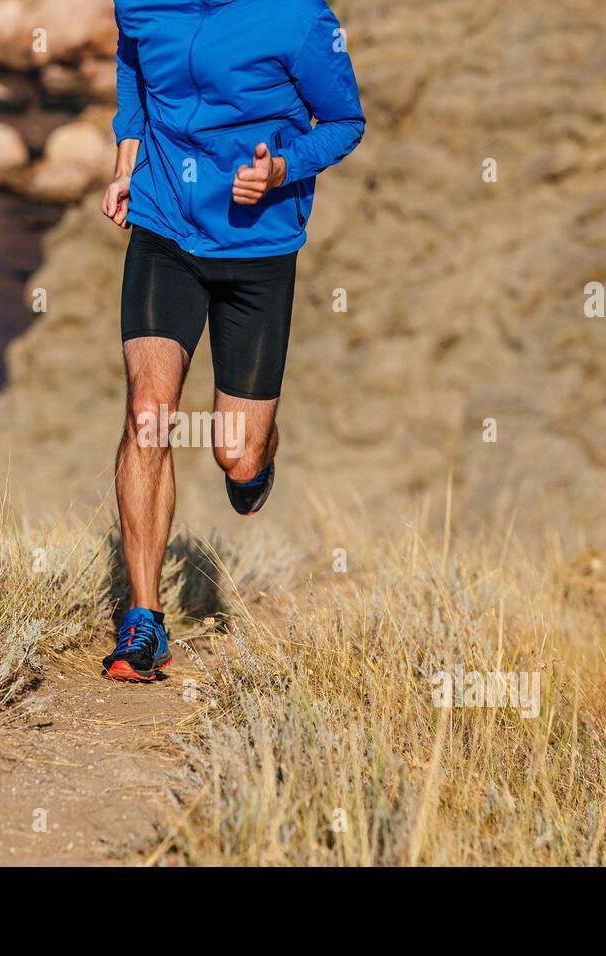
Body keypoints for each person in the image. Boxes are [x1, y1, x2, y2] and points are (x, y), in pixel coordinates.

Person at [98, 0, 366, 681]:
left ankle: (261, 453)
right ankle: (144, 621)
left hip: (259, 247)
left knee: (235, 456)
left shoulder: (299, 18)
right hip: (163, 230)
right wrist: (128, 158)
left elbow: (344, 122)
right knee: (148, 416)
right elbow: (134, 64)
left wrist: (283, 167)